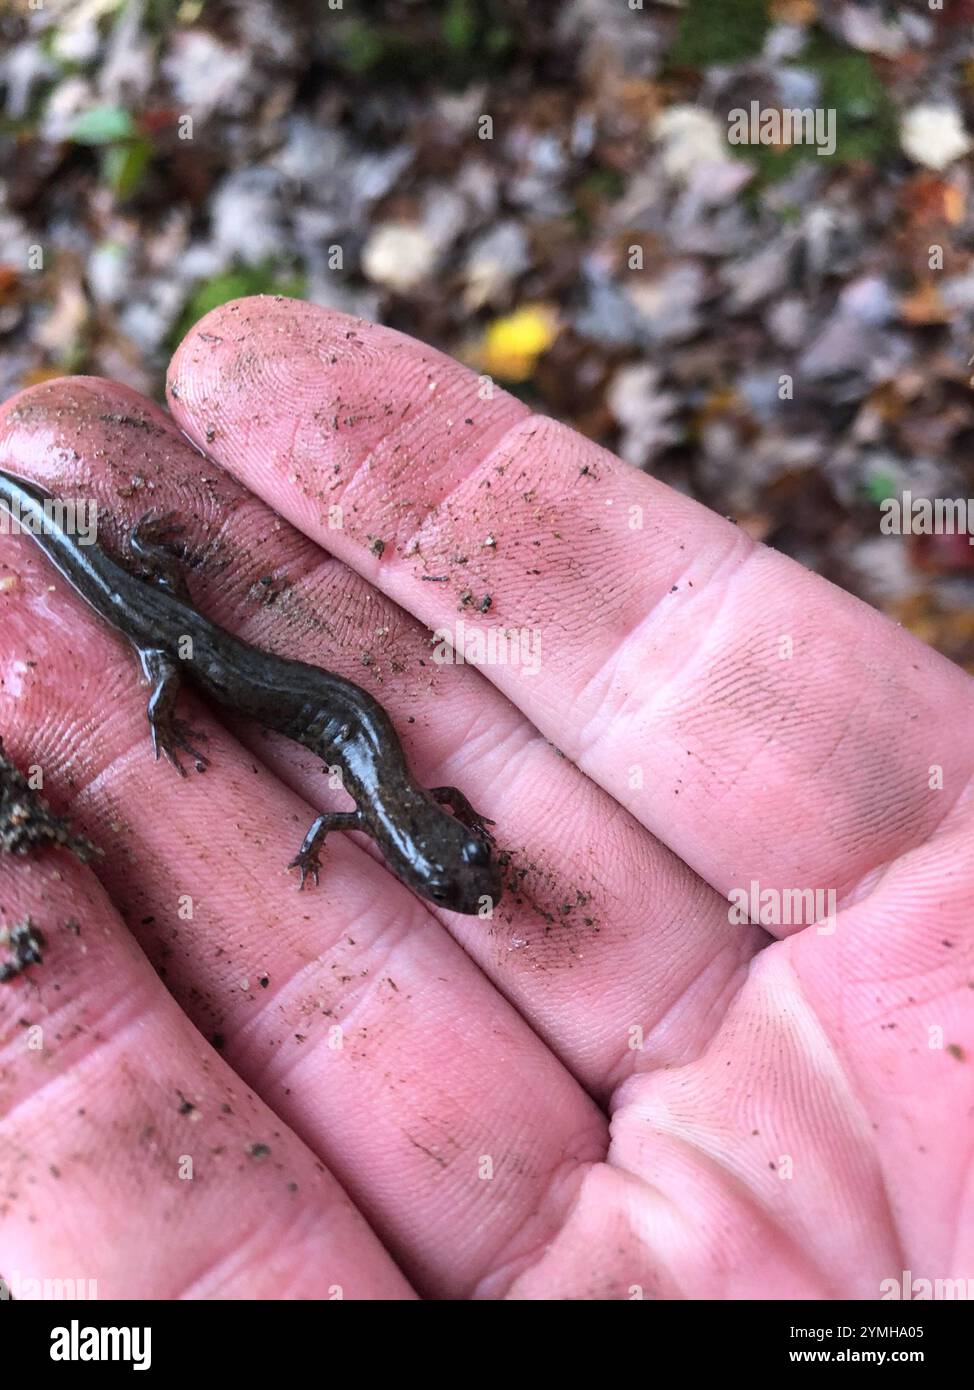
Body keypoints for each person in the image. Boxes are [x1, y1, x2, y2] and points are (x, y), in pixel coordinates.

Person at [0, 296, 970, 1300]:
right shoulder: (374, 812)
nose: (475, 883)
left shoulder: (383, 813)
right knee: (162, 644)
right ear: (413, 848)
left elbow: (376, 809)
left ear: (429, 845)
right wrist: (212, 757)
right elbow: (344, 814)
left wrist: (355, 839)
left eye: (461, 877)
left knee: (167, 619)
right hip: (192, 654)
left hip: (286, 686)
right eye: (464, 876)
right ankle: (117, 621)